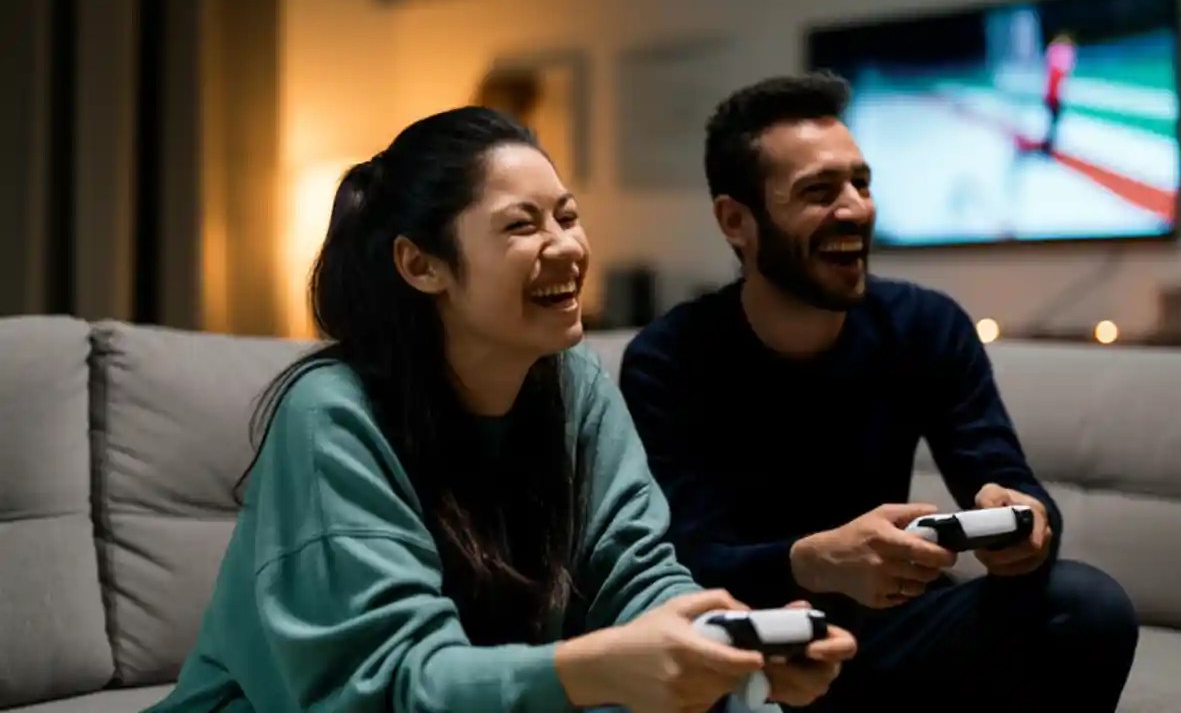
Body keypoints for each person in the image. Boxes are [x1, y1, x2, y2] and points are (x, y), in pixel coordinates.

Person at [147, 107, 855, 713]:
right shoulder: (334, 414)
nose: (567, 247)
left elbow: (635, 574)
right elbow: (386, 686)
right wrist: (590, 669)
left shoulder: (575, 385)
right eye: (522, 226)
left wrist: (733, 646)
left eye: (568, 216)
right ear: (421, 265)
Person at [617, 73, 1139, 711]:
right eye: (818, 191)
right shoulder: (668, 360)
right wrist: (810, 561)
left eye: (861, 183)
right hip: (760, 642)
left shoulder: (926, 325)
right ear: (737, 221)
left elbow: (1004, 476)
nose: (855, 208)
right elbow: (681, 562)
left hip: (897, 632)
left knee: (1086, 607)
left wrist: (1024, 521)